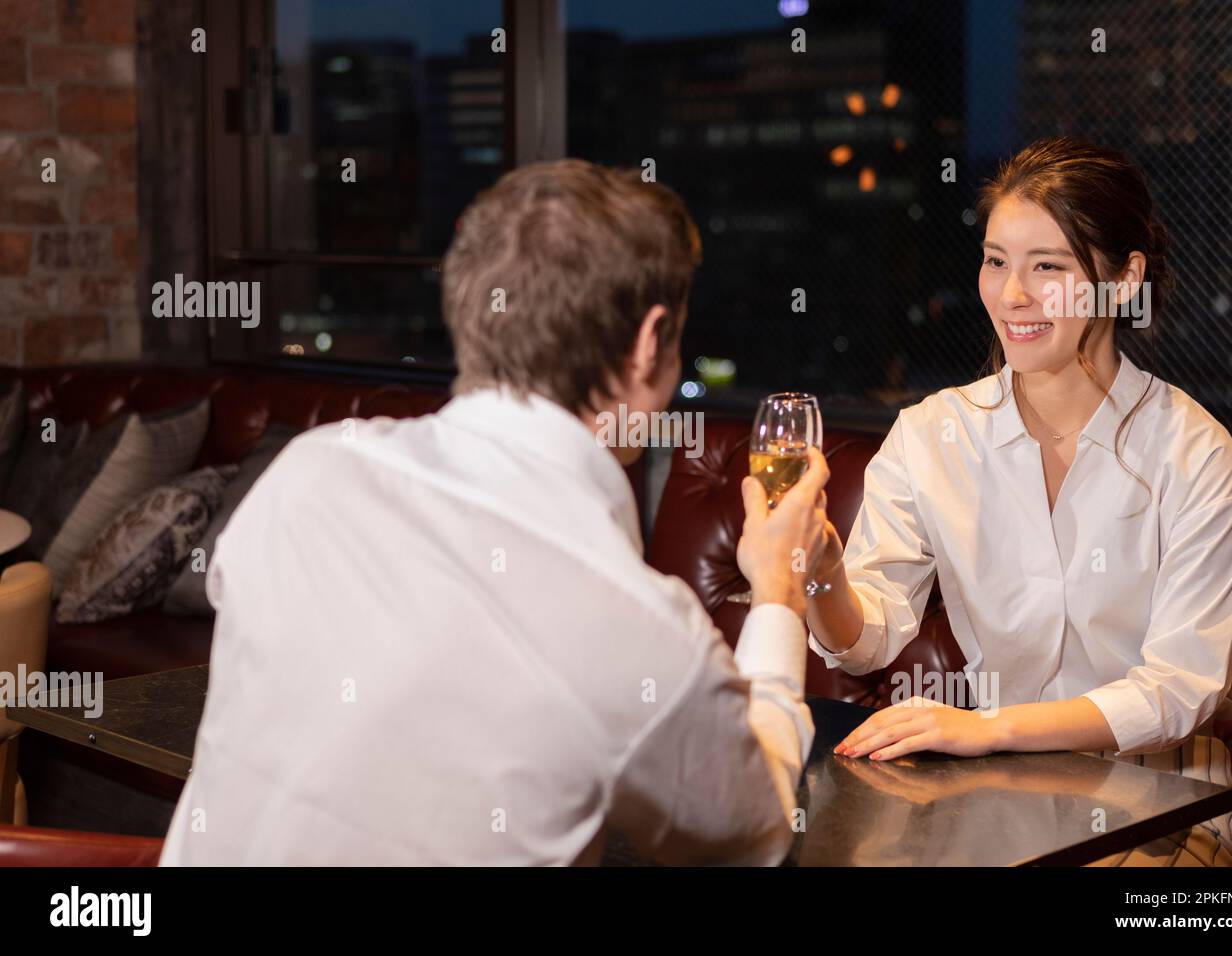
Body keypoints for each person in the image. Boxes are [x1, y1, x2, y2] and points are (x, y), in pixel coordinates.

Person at [160, 160, 830, 866]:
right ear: (647, 343)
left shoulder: (305, 472)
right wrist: (779, 593)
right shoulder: (630, 623)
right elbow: (751, 834)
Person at [806, 138, 1232, 866]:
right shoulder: (932, 435)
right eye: (996, 260)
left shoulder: (1193, 454)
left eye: (1049, 266)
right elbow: (869, 638)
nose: (1012, 294)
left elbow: (1178, 692)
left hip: (1161, 803)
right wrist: (821, 570)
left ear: (1122, 279)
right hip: (997, 793)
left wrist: (987, 728)